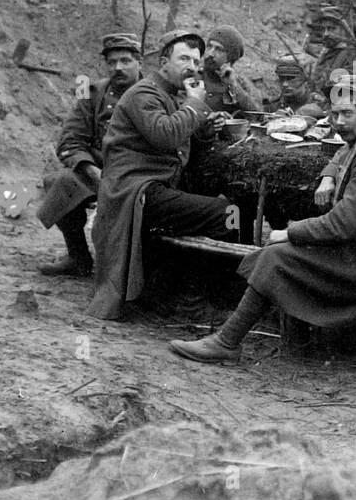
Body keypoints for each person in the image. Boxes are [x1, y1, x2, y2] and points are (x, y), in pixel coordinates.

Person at [169, 80, 356, 364]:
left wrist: (289, 233)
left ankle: (227, 342)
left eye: (347, 114)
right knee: (278, 254)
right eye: (335, 114)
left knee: (277, 255)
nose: (338, 122)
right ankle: (244, 338)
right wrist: (328, 175)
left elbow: (342, 226)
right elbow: (343, 152)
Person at [86, 30, 234, 320]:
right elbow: (165, 135)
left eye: (195, 60)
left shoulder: (169, 94)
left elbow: (178, 144)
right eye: (183, 59)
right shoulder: (144, 93)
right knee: (228, 213)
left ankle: (171, 291)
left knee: (228, 206)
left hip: (154, 187)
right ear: (164, 62)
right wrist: (194, 105)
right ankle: (199, 301)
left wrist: (204, 127)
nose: (191, 66)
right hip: (134, 192)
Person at [36, 33, 143, 277]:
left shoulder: (154, 92)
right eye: (112, 62)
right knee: (60, 182)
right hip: (97, 170)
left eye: (125, 61)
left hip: (136, 173)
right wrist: (90, 168)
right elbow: (70, 139)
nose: (118, 67)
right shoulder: (92, 92)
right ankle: (78, 257)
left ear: (139, 62)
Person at [200, 25, 263, 115]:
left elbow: (258, 116)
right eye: (209, 46)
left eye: (219, 49)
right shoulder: (193, 76)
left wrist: (234, 86)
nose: (210, 53)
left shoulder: (240, 83)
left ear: (230, 57)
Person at [307, 5, 356, 97]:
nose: (326, 34)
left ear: (344, 29)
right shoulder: (325, 53)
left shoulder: (353, 56)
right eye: (324, 29)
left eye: (331, 29)